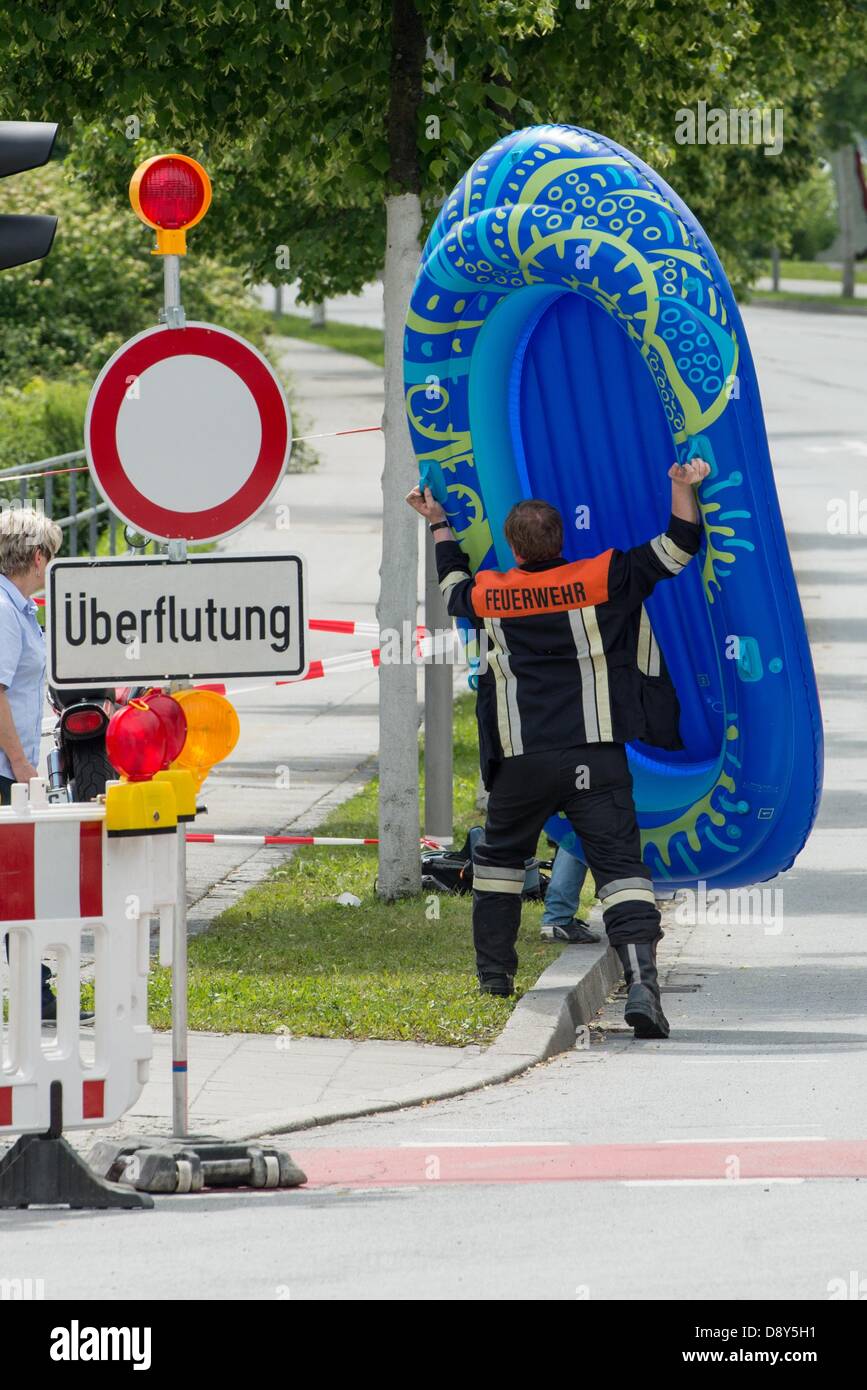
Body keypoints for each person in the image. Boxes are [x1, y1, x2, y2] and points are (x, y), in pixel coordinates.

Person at [406, 459, 709, 1038]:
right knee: (622, 872)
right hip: (594, 756)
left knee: (497, 867)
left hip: (522, 761)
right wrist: (680, 485)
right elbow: (679, 547)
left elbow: (452, 588)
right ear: (562, 539)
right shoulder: (606, 575)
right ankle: (642, 983)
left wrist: (439, 522)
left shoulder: (490, 594)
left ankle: (495, 980)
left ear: (514, 548)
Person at [0, 505, 64, 1020]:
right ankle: (36, 997)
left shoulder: (18, 607)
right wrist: (22, 765)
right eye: (52, 559)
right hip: (4, 770)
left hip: (10, 765)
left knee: (14, 883)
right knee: (13, 883)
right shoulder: (4, 609)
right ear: (37, 556)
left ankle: (36, 994)